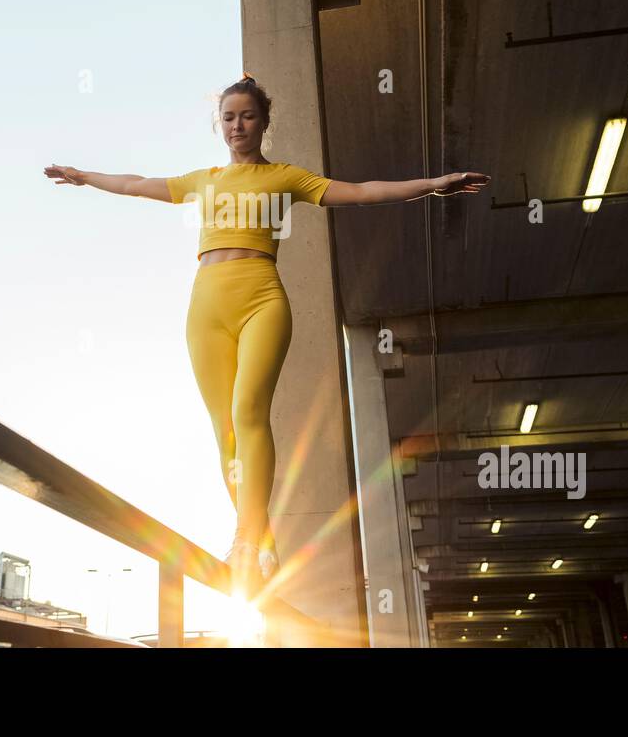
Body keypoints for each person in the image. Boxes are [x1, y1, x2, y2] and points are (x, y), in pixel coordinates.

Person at [44, 74, 488, 599]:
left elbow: (363, 192)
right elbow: (137, 183)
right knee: (223, 432)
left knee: (248, 413)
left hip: (262, 300)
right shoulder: (203, 179)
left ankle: (245, 540)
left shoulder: (286, 178)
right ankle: (266, 537)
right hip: (205, 306)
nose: (237, 125)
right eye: (229, 117)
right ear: (220, 125)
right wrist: (83, 176)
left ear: (264, 122)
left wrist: (432, 185)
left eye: (247, 116)